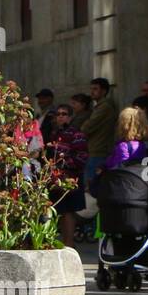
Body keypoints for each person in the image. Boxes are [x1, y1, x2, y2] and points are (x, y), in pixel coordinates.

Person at [51, 103, 89, 247]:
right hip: (55, 177)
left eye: (64, 114)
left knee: (69, 212)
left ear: (71, 117)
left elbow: (82, 157)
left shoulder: (76, 134)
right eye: (58, 114)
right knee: (58, 210)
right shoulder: (54, 134)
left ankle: (69, 244)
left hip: (70, 177)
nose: (60, 117)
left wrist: (65, 163)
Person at [80, 77, 117, 192]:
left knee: (93, 188)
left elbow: (86, 127)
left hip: (99, 151)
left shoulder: (104, 107)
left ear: (104, 91)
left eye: (95, 89)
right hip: (97, 149)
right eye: (91, 89)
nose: (92, 92)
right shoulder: (100, 106)